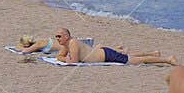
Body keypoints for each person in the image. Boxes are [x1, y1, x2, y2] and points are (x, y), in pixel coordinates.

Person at [23, 29, 175, 65]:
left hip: (106, 56)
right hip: (102, 53)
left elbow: (73, 61)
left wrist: (65, 58)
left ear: (67, 36)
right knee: (134, 57)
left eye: (60, 36)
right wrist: (63, 57)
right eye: (56, 36)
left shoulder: (73, 43)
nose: (57, 39)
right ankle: (155, 53)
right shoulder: (66, 45)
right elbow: (59, 57)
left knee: (135, 60)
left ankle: (167, 59)